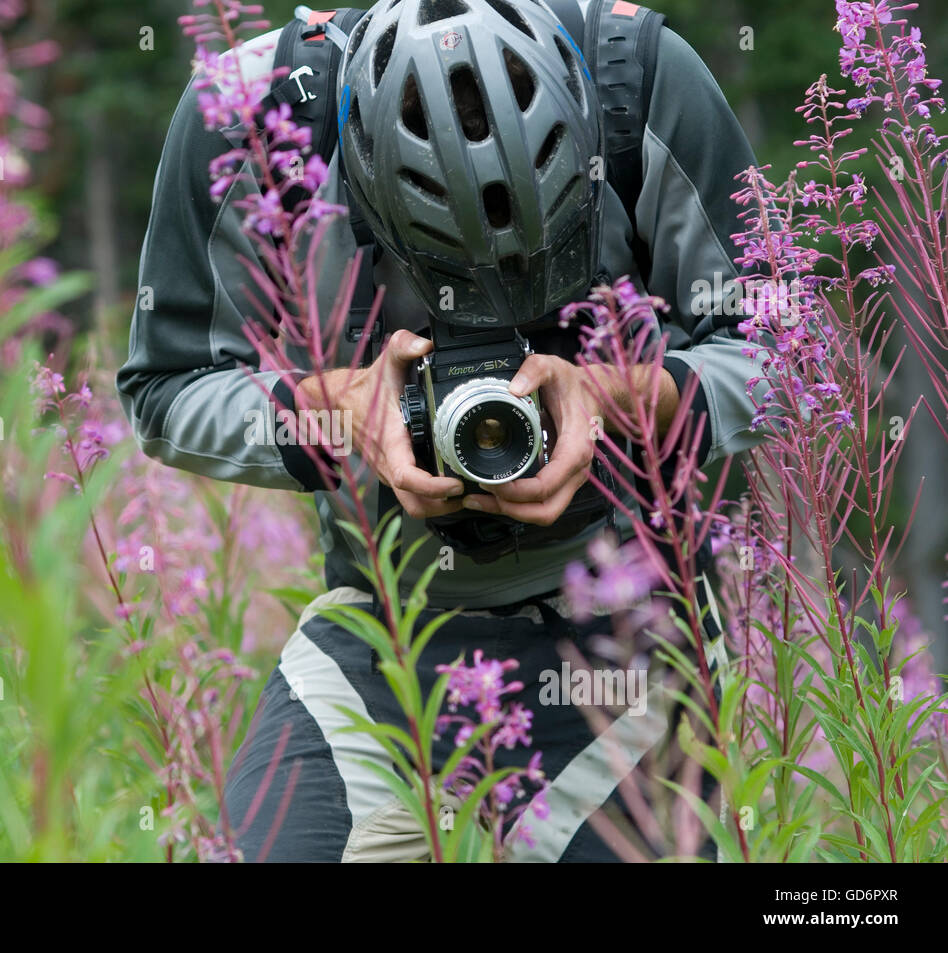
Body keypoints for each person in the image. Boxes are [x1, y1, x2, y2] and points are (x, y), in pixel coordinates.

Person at [118, 0, 767, 861]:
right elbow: (166, 386)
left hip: (626, 621)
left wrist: (612, 397)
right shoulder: (249, 116)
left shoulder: (637, 76)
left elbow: (782, 358)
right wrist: (337, 408)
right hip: (384, 619)